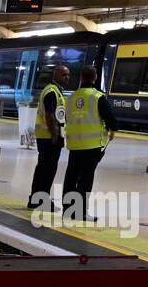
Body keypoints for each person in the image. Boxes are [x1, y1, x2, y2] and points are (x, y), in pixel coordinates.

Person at [61, 65, 119, 222]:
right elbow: (111, 119)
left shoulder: (71, 98)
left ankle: (67, 209)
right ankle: (80, 212)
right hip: (92, 146)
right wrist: (112, 130)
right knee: (86, 179)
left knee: (71, 177)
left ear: (81, 78)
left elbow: (66, 119)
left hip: (74, 145)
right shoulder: (98, 97)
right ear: (94, 78)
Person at [28, 64, 70, 210]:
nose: (67, 77)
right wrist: (55, 135)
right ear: (56, 75)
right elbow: (50, 115)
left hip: (45, 136)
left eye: (68, 75)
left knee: (42, 168)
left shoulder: (55, 91)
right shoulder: (52, 92)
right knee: (48, 170)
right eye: (64, 75)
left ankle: (34, 200)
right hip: (49, 137)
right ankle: (43, 201)